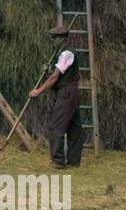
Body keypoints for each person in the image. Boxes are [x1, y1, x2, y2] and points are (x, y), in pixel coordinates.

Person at [28, 21, 84, 167]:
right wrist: (48, 69)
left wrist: (38, 91)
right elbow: (54, 72)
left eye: (54, 38)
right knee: (74, 128)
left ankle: (58, 161)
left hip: (66, 93)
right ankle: (74, 161)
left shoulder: (66, 53)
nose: (52, 41)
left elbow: (55, 77)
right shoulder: (62, 53)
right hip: (72, 92)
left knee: (56, 126)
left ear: (62, 38)